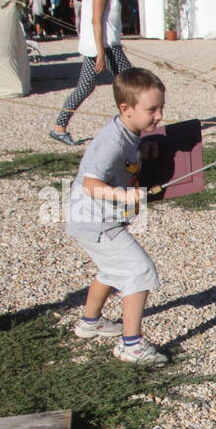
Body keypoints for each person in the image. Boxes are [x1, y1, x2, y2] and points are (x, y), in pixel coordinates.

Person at [66, 67, 169, 365]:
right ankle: (131, 345)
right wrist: (123, 195)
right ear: (126, 108)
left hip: (92, 220)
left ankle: (90, 322)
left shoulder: (130, 132)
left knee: (110, 270)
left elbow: (127, 155)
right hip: (95, 221)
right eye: (152, 109)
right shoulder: (110, 141)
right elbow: (91, 183)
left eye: (161, 107)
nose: (159, 115)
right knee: (139, 271)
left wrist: (143, 150)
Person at [51, 0, 133, 146]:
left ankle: (59, 127)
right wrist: (100, 53)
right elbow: (96, 20)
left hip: (102, 44)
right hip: (104, 46)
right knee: (132, 83)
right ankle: (134, 127)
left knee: (86, 87)